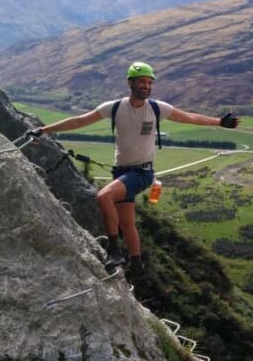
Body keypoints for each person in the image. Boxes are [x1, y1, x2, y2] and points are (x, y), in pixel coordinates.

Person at [29, 61, 239, 277]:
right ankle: (137, 265)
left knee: (103, 197)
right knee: (128, 223)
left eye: (149, 82)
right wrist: (43, 130)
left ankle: (114, 251)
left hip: (142, 173)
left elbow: (190, 117)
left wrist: (220, 122)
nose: (146, 86)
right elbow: (78, 121)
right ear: (131, 83)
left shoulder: (157, 108)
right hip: (120, 172)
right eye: (142, 82)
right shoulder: (115, 107)